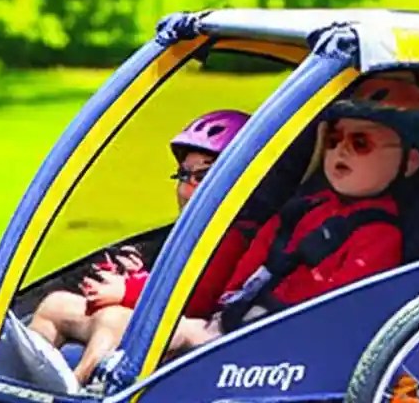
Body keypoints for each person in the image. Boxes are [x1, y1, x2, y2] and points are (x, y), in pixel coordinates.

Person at [76, 76, 419, 368]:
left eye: (360, 143)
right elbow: (254, 260)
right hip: (242, 325)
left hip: (281, 342)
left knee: (141, 329)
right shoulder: (307, 207)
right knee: (112, 321)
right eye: (334, 140)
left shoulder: (378, 233)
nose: (340, 151)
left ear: (411, 162)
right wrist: (229, 306)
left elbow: (341, 306)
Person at [26, 109, 254, 384]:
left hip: (204, 336)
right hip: (166, 322)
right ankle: (23, 383)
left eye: (202, 177)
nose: (185, 190)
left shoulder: (234, 236)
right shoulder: (194, 233)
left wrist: (127, 290)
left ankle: (78, 390)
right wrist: (133, 276)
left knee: (113, 321)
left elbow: (195, 300)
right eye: (183, 176)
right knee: (55, 304)